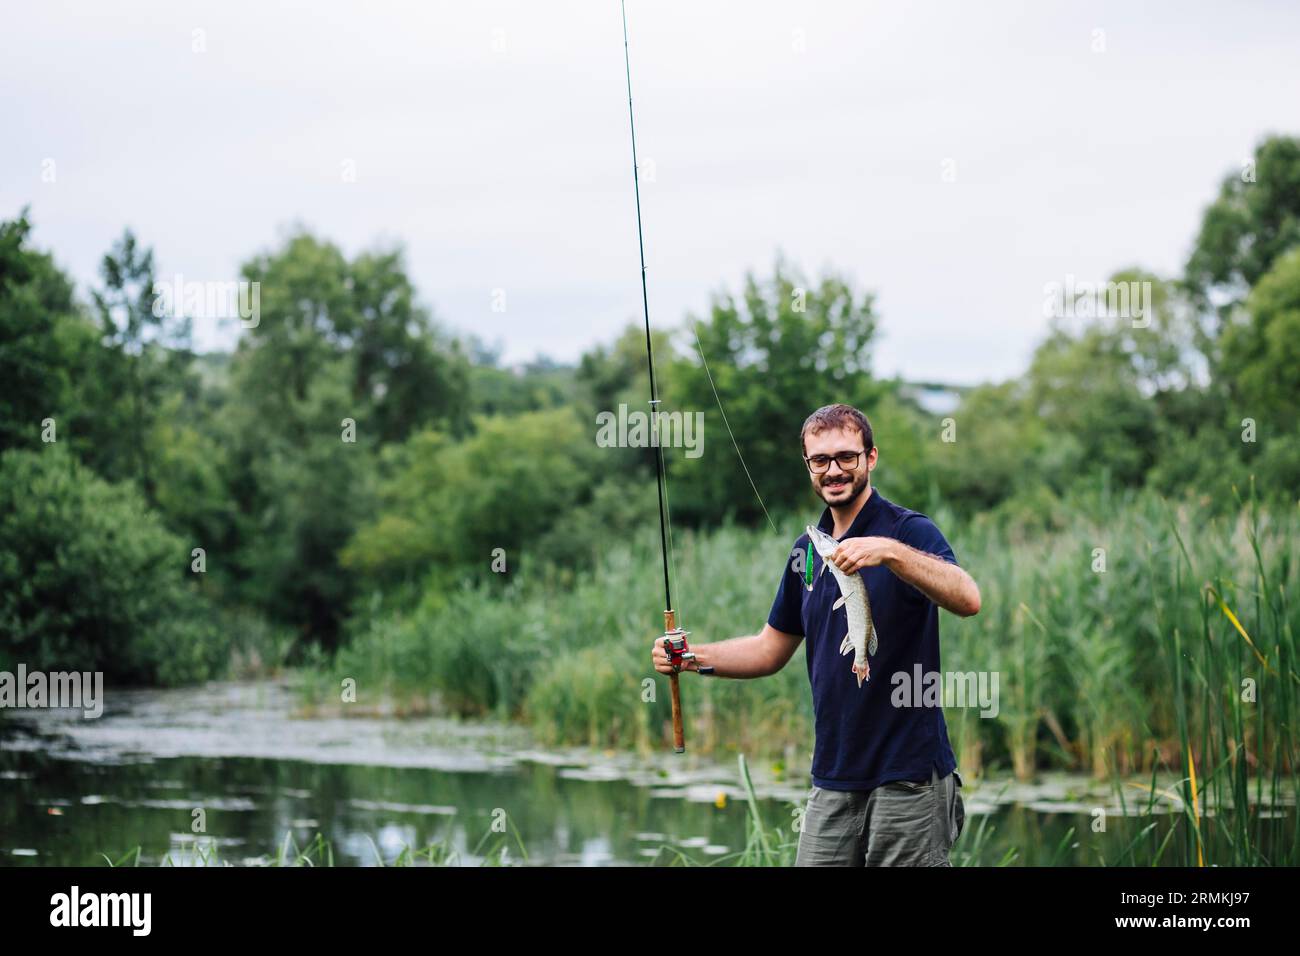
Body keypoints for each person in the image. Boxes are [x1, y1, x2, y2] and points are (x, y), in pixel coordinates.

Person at [651, 403, 981, 866]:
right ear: (808, 466)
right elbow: (769, 649)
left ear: (870, 457)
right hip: (835, 775)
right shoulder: (806, 552)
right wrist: (689, 657)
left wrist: (889, 553)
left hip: (909, 777)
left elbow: (968, 598)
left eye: (846, 457)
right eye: (820, 461)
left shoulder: (908, 531)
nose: (834, 471)